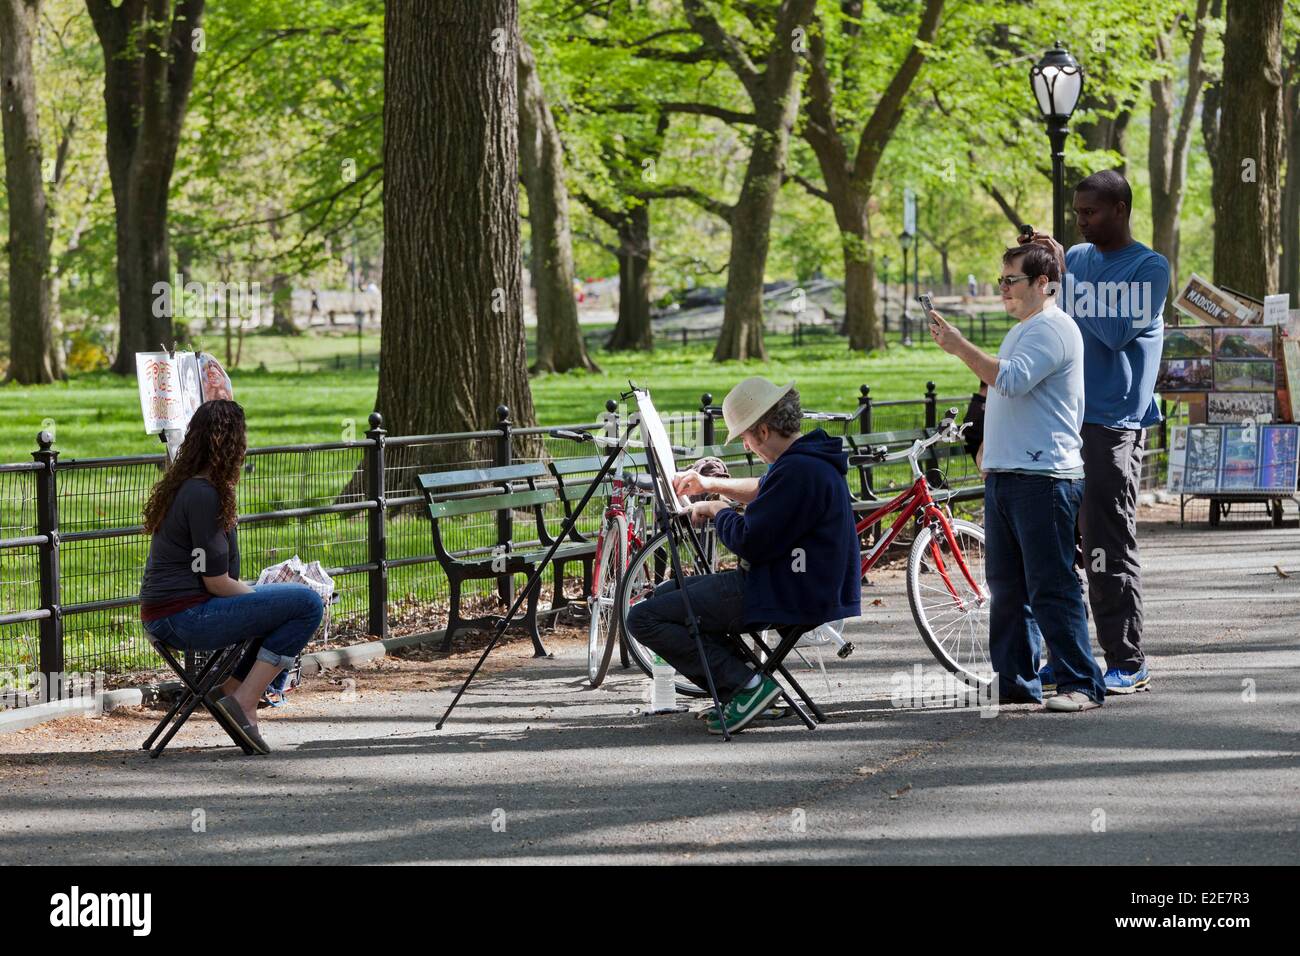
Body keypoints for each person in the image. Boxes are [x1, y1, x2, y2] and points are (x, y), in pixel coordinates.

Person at [624, 378, 861, 734]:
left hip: (786, 591)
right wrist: (711, 486)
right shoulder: (805, 460)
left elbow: (749, 541)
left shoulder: (798, 471)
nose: (748, 447)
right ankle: (746, 690)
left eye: (746, 439)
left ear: (763, 430)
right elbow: (764, 488)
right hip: (798, 583)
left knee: (643, 619)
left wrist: (720, 511)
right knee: (665, 595)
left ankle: (747, 687)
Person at [927, 245, 1105, 711]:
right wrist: (989, 442)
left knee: (1051, 584)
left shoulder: (1053, 329)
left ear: (1044, 284)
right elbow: (1001, 390)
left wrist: (959, 346)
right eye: (1001, 279)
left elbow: (1009, 380)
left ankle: (1082, 682)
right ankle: (1015, 681)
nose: (1002, 288)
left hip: (1045, 476)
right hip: (1009, 474)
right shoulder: (1024, 330)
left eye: (1012, 280)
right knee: (1006, 587)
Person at [1023, 169, 1166, 695]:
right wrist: (1038, 267)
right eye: (1078, 212)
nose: (1081, 222)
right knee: (1059, 546)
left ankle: (1127, 659)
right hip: (1064, 420)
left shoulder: (1149, 267)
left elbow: (1111, 331)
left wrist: (1065, 272)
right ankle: (1068, 659)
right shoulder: (1076, 261)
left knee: (1107, 541)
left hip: (1114, 423)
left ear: (1121, 210)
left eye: (1092, 213)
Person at [139, 400, 324, 754]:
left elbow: (217, 579)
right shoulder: (203, 494)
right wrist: (266, 596)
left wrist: (265, 593)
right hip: (183, 617)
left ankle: (235, 688)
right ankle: (245, 700)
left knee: (286, 601)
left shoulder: (193, 487)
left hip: (173, 612)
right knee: (306, 604)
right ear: (231, 444)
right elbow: (217, 582)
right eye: (243, 438)